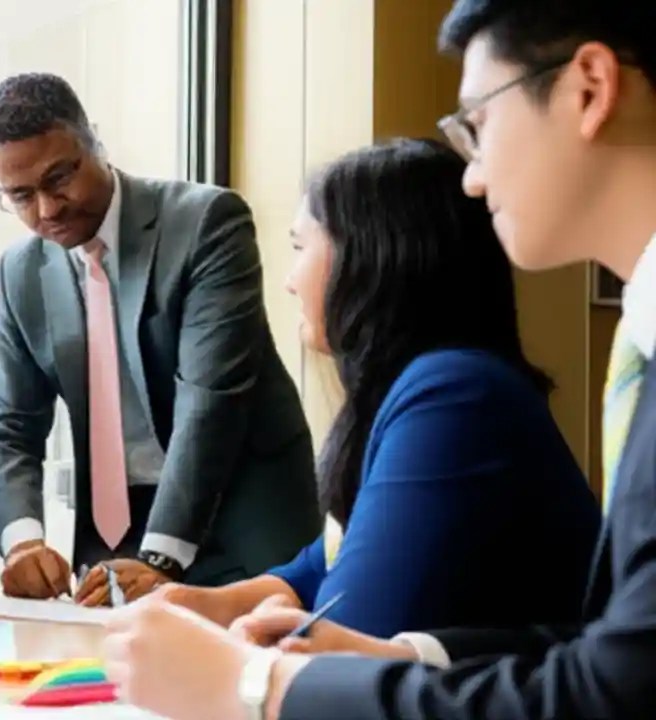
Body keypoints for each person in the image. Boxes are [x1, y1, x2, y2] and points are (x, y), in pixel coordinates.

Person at [101, 1, 656, 718]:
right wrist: (400, 655)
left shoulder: (454, 390)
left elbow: (618, 686)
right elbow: (613, 652)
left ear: (588, 88)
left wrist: (252, 685)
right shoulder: (594, 351)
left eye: (478, 126)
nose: (473, 178)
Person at [151, 138, 599, 639]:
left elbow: (351, 632)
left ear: (370, 256)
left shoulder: (454, 396)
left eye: (300, 248)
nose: (291, 281)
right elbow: (327, 560)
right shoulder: (435, 385)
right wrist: (204, 603)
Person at [0, 72, 320, 603]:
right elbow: (11, 422)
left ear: (93, 141)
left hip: (242, 516)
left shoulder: (206, 222)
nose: (47, 210)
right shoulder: (19, 272)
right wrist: (24, 542)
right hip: (114, 534)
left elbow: (212, 400)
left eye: (60, 177)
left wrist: (160, 557)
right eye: (20, 196)